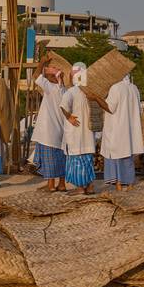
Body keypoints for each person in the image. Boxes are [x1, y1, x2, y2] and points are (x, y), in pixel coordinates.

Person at [98, 72, 144, 191]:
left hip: (117, 129)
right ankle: (130, 184)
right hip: (129, 130)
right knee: (127, 157)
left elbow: (109, 107)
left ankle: (118, 184)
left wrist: (96, 99)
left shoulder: (116, 88)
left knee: (116, 156)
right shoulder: (134, 88)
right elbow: (139, 110)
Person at [59, 62, 96, 194]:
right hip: (88, 133)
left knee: (77, 162)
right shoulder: (90, 91)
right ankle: (90, 186)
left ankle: (80, 188)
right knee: (88, 161)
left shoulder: (72, 91)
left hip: (75, 133)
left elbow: (63, 106)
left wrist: (68, 117)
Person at [32, 61, 68, 191]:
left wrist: (41, 62)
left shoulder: (50, 88)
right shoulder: (64, 90)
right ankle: (62, 184)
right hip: (61, 130)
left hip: (48, 130)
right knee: (61, 157)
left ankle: (51, 185)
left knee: (49, 158)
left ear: (53, 78)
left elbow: (35, 75)